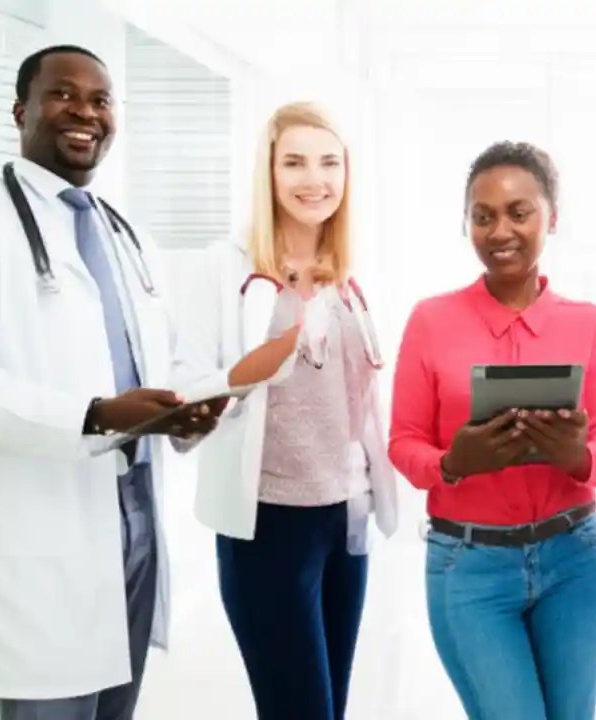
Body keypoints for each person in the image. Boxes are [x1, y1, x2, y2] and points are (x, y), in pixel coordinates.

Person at [0, 45, 223, 719]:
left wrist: (197, 404)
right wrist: (97, 413)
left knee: (116, 707)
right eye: (63, 95)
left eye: (101, 100)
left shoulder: (120, 227)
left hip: (136, 509)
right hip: (44, 524)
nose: (85, 111)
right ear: (21, 110)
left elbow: (164, 348)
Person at [388, 140, 596, 720]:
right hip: (469, 566)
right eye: (483, 215)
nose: (501, 231)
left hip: (576, 559)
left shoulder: (589, 323)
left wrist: (579, 458)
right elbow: (403, 442)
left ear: (551, 217)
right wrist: (452, 464)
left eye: (519, 212)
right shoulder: (431, 320)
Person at [178, 101, 398, 720]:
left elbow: (359, 397)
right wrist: (257, 366)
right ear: (268, 172)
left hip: (344, 518)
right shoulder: (226, 269)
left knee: (331, 706)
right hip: (268, 521)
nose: (314, 179)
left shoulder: (347, 276)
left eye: (330, 162)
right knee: (297, 709)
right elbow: (189, 388)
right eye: (294, 162)